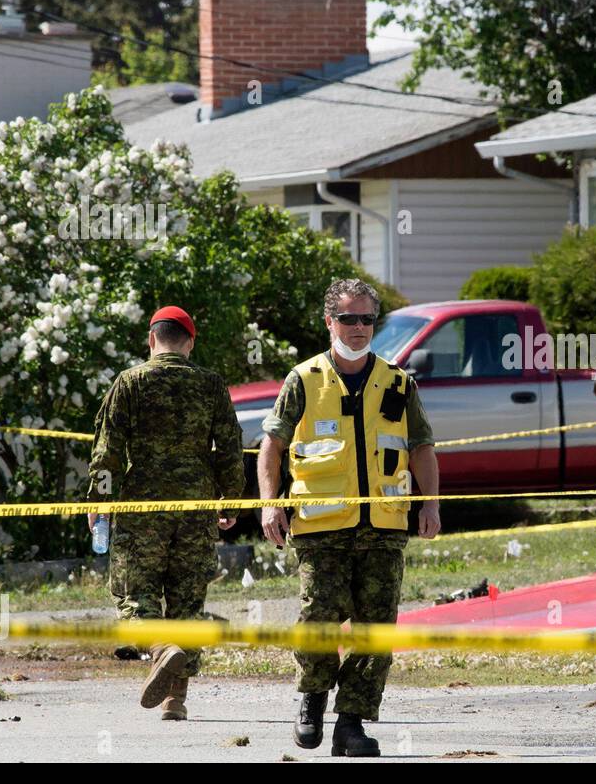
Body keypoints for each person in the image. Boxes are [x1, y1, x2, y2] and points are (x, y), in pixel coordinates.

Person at [258, 278, 439, 757]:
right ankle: (313, 697)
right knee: (318, 615)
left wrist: (432, 502)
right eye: (348, 318)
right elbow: (271, 445)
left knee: (376, 626)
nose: (358, 329)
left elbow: (421, 445)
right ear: (329, 322)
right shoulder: (304, 379)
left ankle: (351, 723)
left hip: (384, 525)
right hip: (320, 526)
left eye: (366, 319)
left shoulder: (398, 381)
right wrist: (269, 502)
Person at [86, 306, 244, 721]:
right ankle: (176, 699)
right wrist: (229, 498)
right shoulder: (211, 384)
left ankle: (159, 648)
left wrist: (99, 503)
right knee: (188, 599)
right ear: (189, 342)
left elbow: (108, 451)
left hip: (144, 505)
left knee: (134, 593)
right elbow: (230, 446)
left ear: (151, 339)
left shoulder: (129, 382)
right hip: (196, 504)